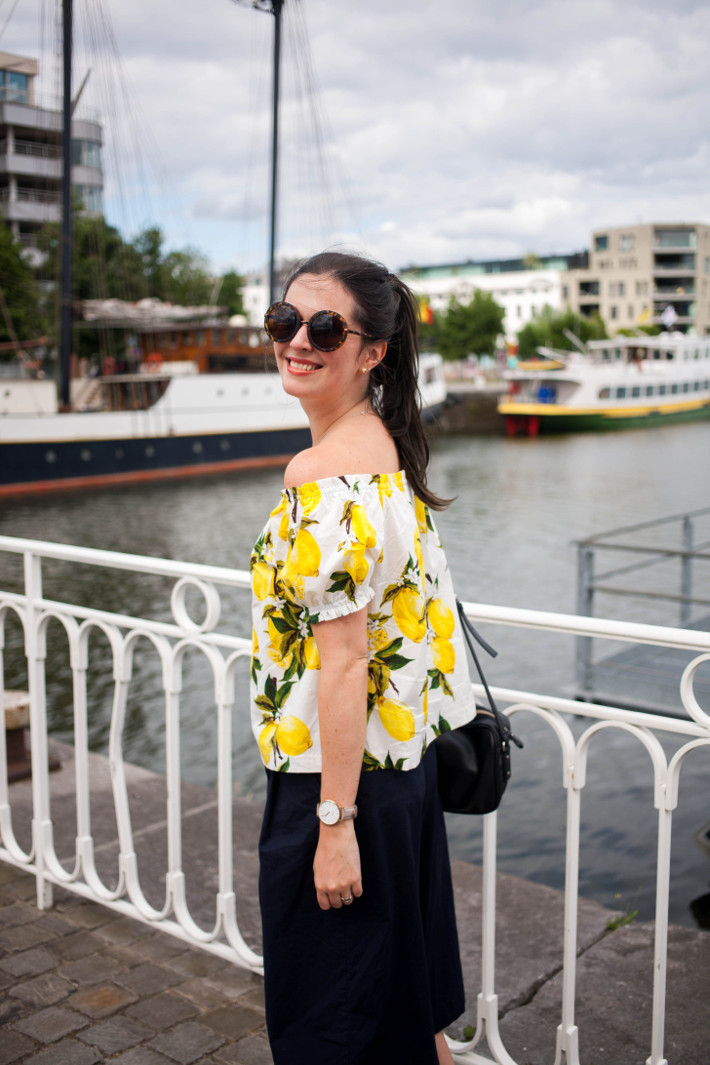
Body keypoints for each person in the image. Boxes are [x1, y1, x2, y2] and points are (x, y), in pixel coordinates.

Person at [250, 250, 477, 1065]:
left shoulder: (326, 472)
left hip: (341, 784)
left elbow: (342, 666)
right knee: (406, 1023)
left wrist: (333, 825)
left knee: (336, 1030)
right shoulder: (381, 447)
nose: (297, 341)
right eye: (286, 320)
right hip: (395, 777)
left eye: (323, 327)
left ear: (373, 351)